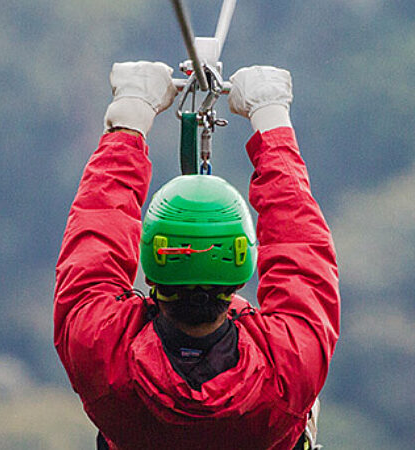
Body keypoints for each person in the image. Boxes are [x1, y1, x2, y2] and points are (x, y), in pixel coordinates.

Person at [54, 61, 340, 450]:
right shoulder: (287, 369)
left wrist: (129, 118)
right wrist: (272, 123)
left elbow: (95, 236)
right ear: (243, 261)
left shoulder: (103, 354)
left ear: (153, 261)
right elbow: (301, 248)